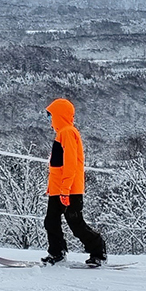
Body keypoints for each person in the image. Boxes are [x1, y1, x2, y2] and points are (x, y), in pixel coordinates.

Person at [43, 98, 107, 267]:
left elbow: (70, 164)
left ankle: (98, 250)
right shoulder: (61, 133)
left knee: (75, 223)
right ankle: (57, 253)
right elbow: (57, 166)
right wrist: (53, 188)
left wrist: (65, 190)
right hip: (59, 189)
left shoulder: (68, 133)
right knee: (51, 221)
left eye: (52, 116)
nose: (50, 120)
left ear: (59, 115)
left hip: (69, 190)